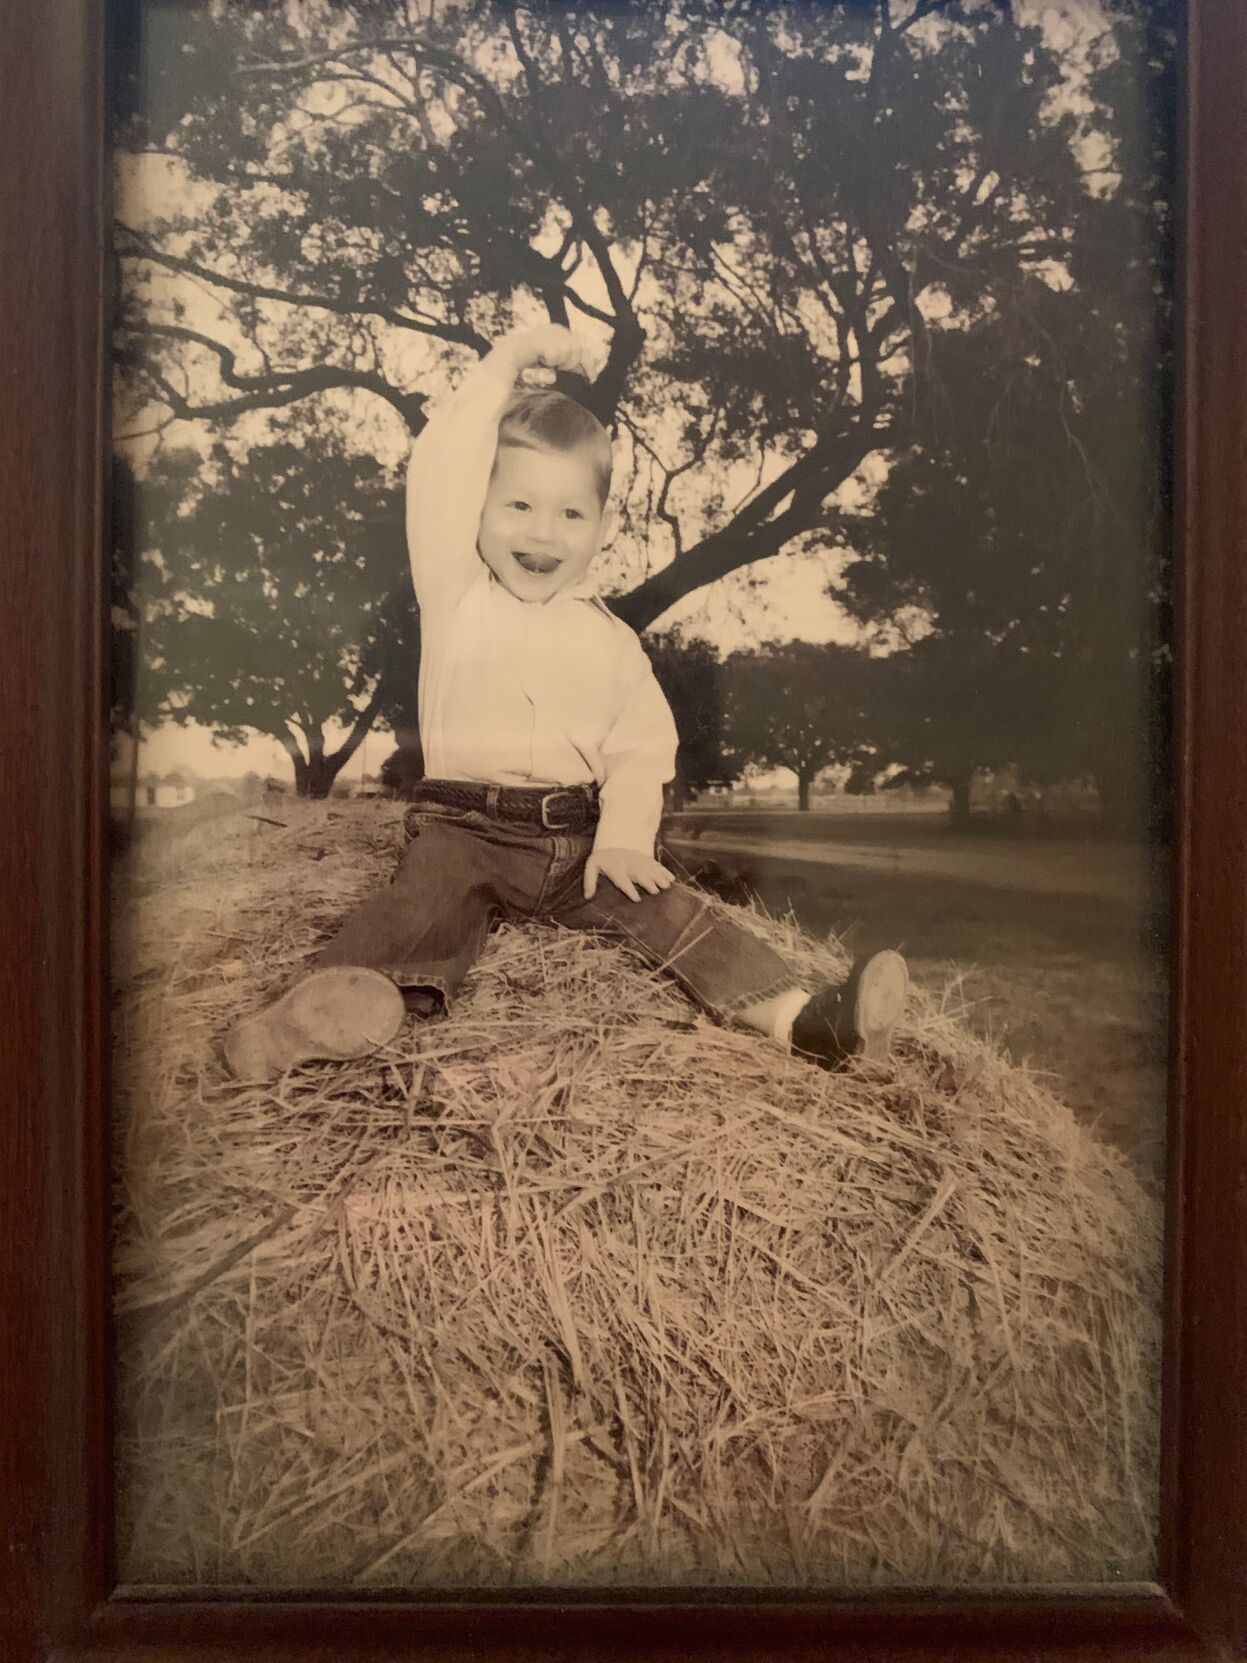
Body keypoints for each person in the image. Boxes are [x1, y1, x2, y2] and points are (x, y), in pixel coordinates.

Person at [223, 325, 908, 1082]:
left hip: (576, 839)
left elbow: (641, 749)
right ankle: (309, 1017)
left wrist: (622, 838)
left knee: (670, 910)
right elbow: (440, 467)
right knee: (419, 906)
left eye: (570, 515)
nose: (542, 533)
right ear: (476, 512)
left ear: (602, 528)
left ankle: (803, 1020)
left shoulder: (612, 642)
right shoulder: (456, 596)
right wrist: (506, 363)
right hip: (463, 827)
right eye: (517, 505)